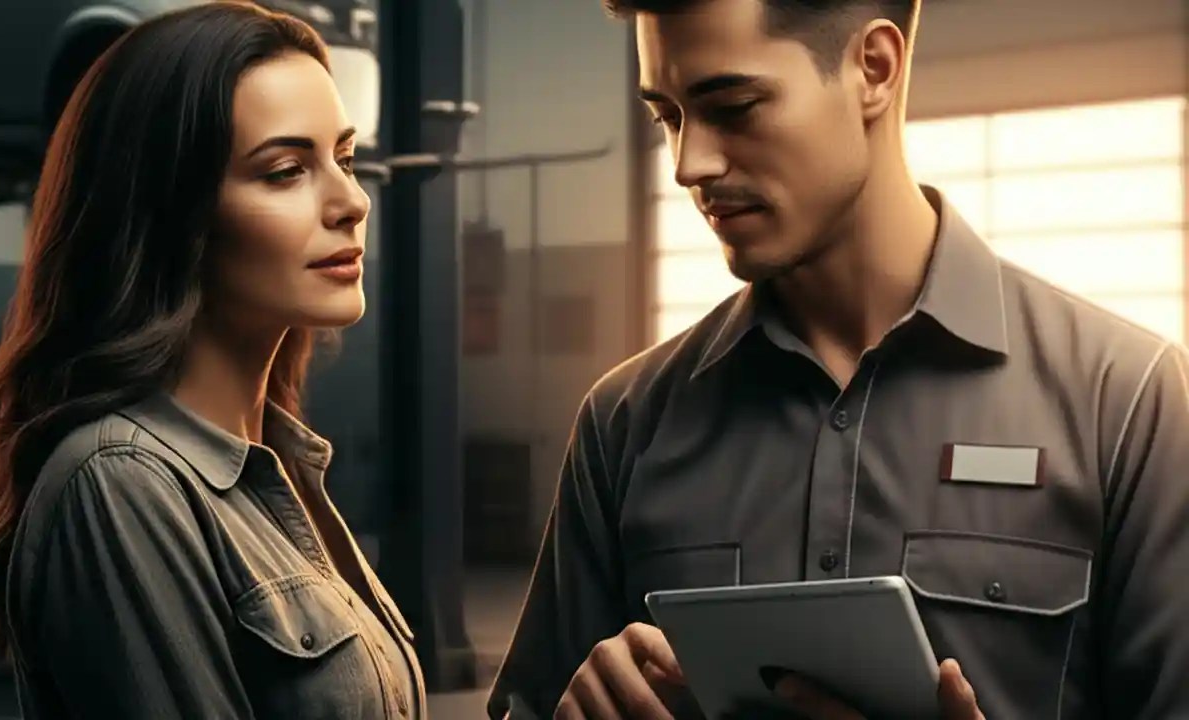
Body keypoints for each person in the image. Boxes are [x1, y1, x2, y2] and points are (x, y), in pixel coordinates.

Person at [488, 0, 1189, 718]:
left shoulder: (1127, 403)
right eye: (666, 117)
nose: (687, 164)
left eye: (732, 106)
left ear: (873, 69)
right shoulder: (624, 422)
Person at [0, 3, 424, 718]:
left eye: (346, 159)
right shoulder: (118, 485)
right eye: (287, 170)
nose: (352, 201)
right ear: (170, 212)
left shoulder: (281, 467)